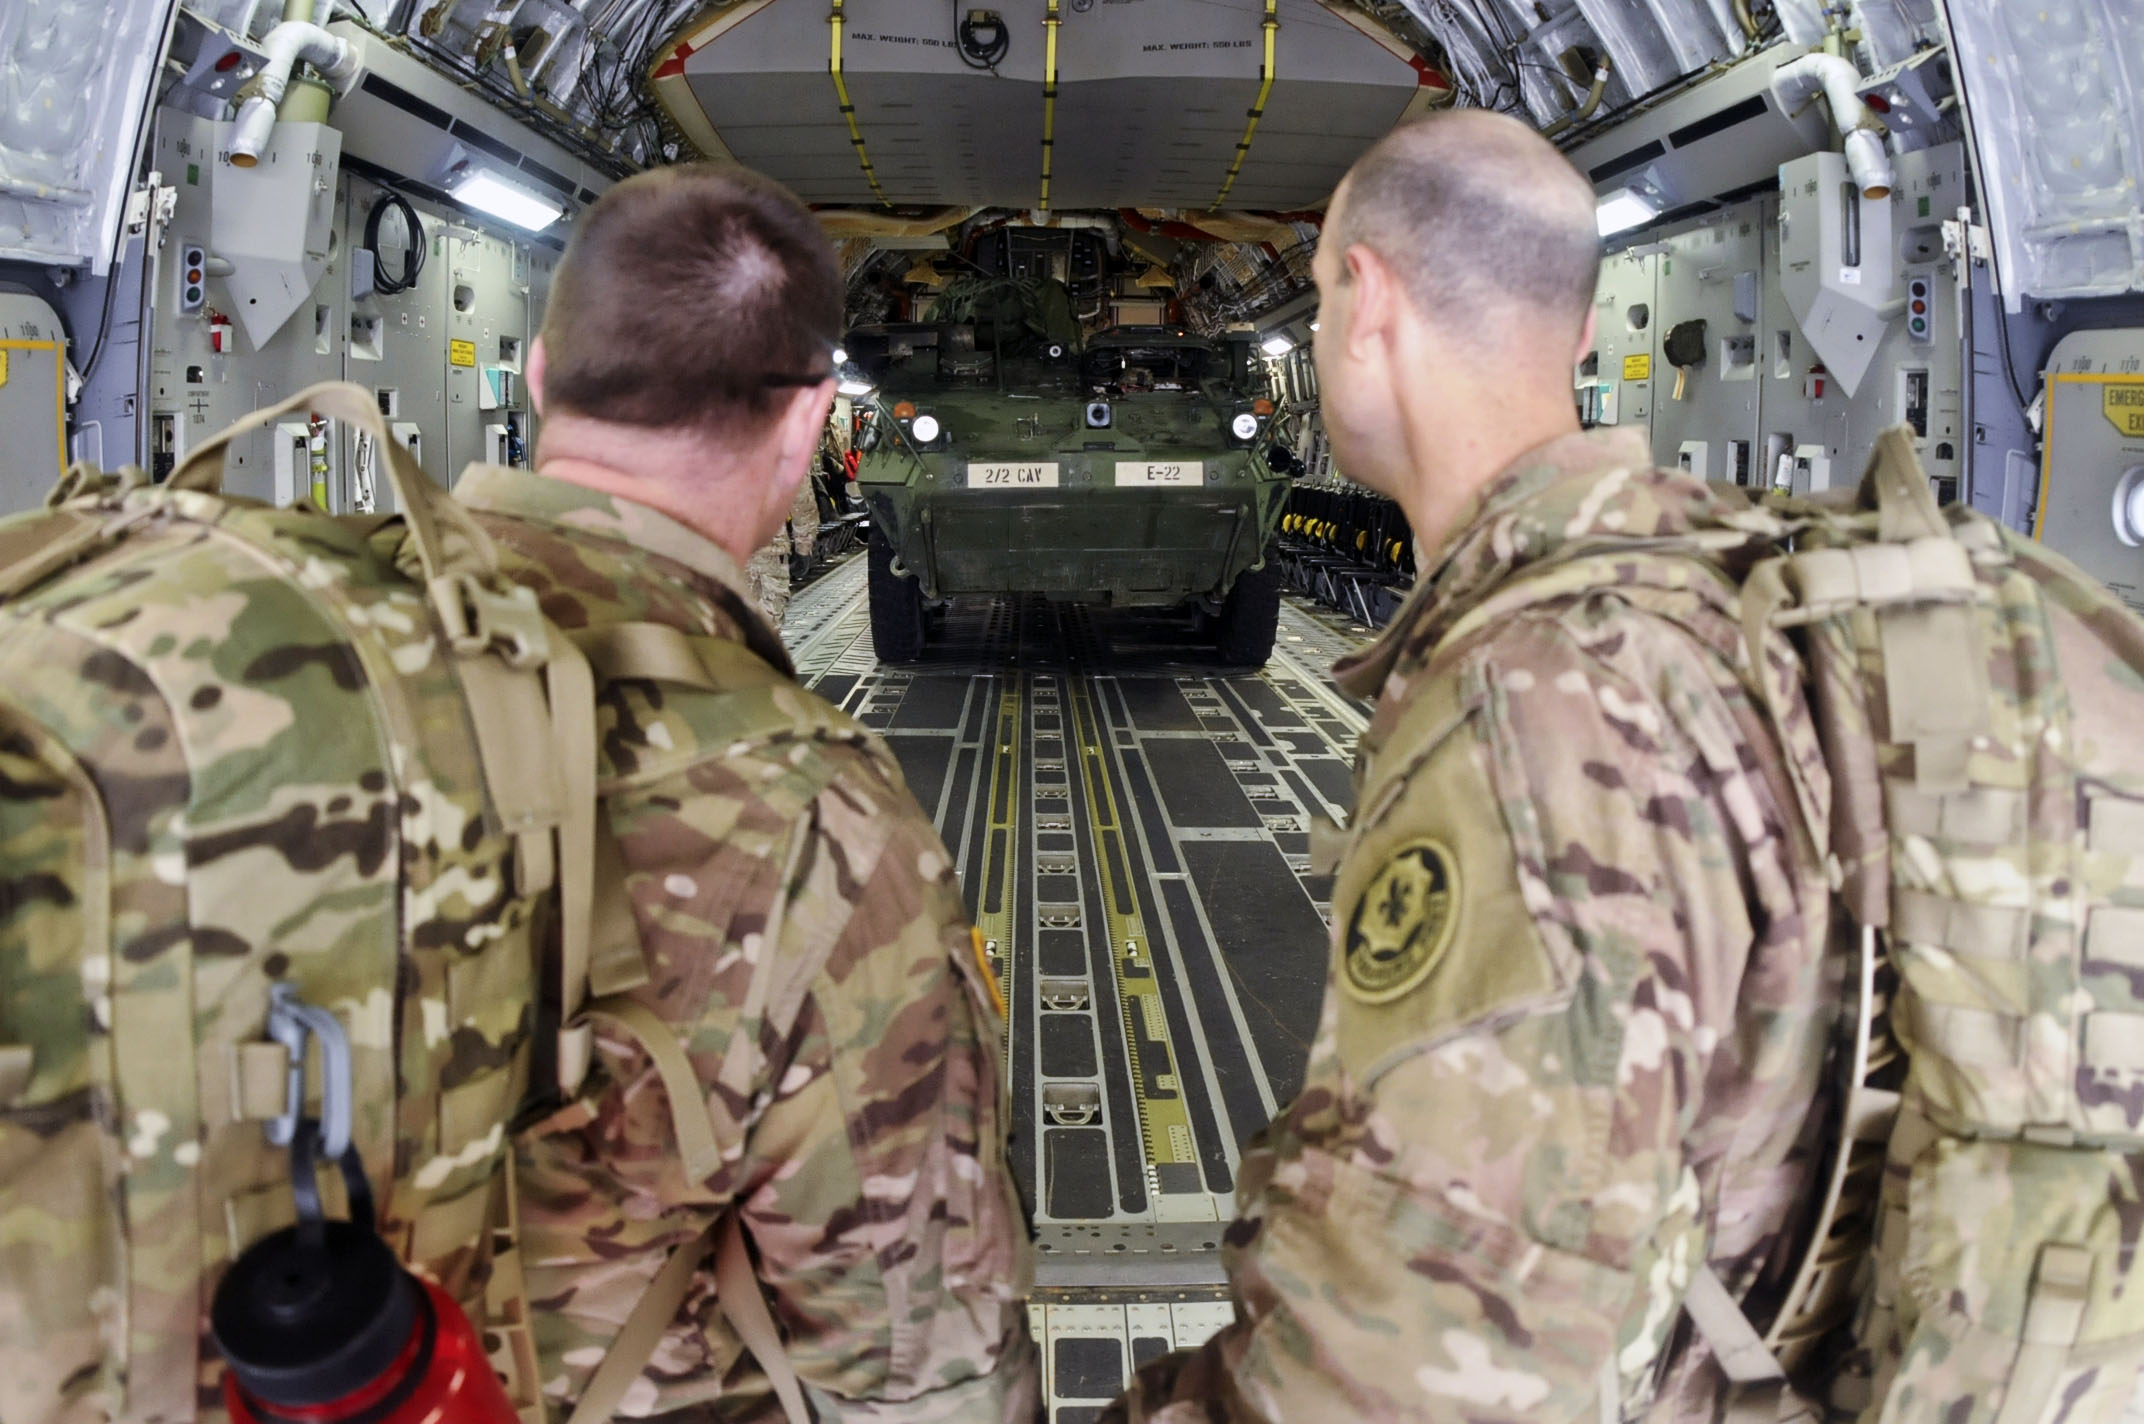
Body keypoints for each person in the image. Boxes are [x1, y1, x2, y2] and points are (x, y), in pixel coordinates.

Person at [1109, 111, 1839, 1422]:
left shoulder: (1533, 710)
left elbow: (1426, 1360)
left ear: (1365, 304)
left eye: (1324, 295)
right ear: (1574, 327)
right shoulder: (1768, 585)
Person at [464, 164, 1038, 1419]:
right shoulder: (807, 826)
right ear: (805, 426)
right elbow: (915, 1369)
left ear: (537, 380)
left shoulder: (201, 652)